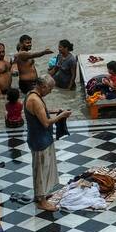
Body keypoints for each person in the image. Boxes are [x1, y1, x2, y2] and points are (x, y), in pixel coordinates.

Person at [24, 77, 70, 211]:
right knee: (40, 171)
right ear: (43, 86)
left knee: (45, 168)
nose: (50, 92)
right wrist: (62, 116)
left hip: (43, 139)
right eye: (50, 89)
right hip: (39, 140)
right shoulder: (35, 100)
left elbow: (40, 113)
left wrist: (54, 111)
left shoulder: (32, 95)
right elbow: (45, 123)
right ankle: (41, 201)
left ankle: (42, 194)